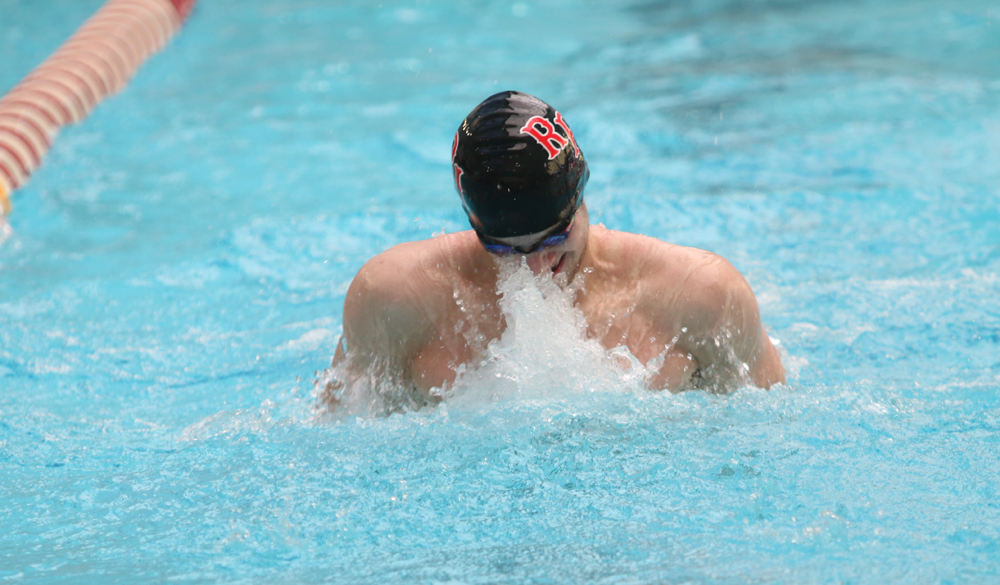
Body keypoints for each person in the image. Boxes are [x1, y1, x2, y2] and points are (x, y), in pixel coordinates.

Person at [324, 91, 784, 406]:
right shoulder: (396, 299)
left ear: (580, 194)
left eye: (555, 239)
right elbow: (338, 441)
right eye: (506, 249)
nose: (537, 267)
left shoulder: (698, 294)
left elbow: (769, 438)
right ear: (472, 224)